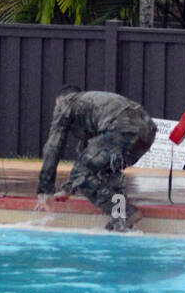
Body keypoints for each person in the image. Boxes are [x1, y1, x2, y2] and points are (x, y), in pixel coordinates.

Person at [35, 86, 157, 231]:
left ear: (60, 100)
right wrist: (69, 188)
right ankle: (120, 218)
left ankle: (125, 213)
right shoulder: (92, 107)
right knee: (108, 171)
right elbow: (89, 155)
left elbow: (53, 146)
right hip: (147, 132)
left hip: (122, 128)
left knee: (81, 173)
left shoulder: (66, 103)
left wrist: (44, 189)